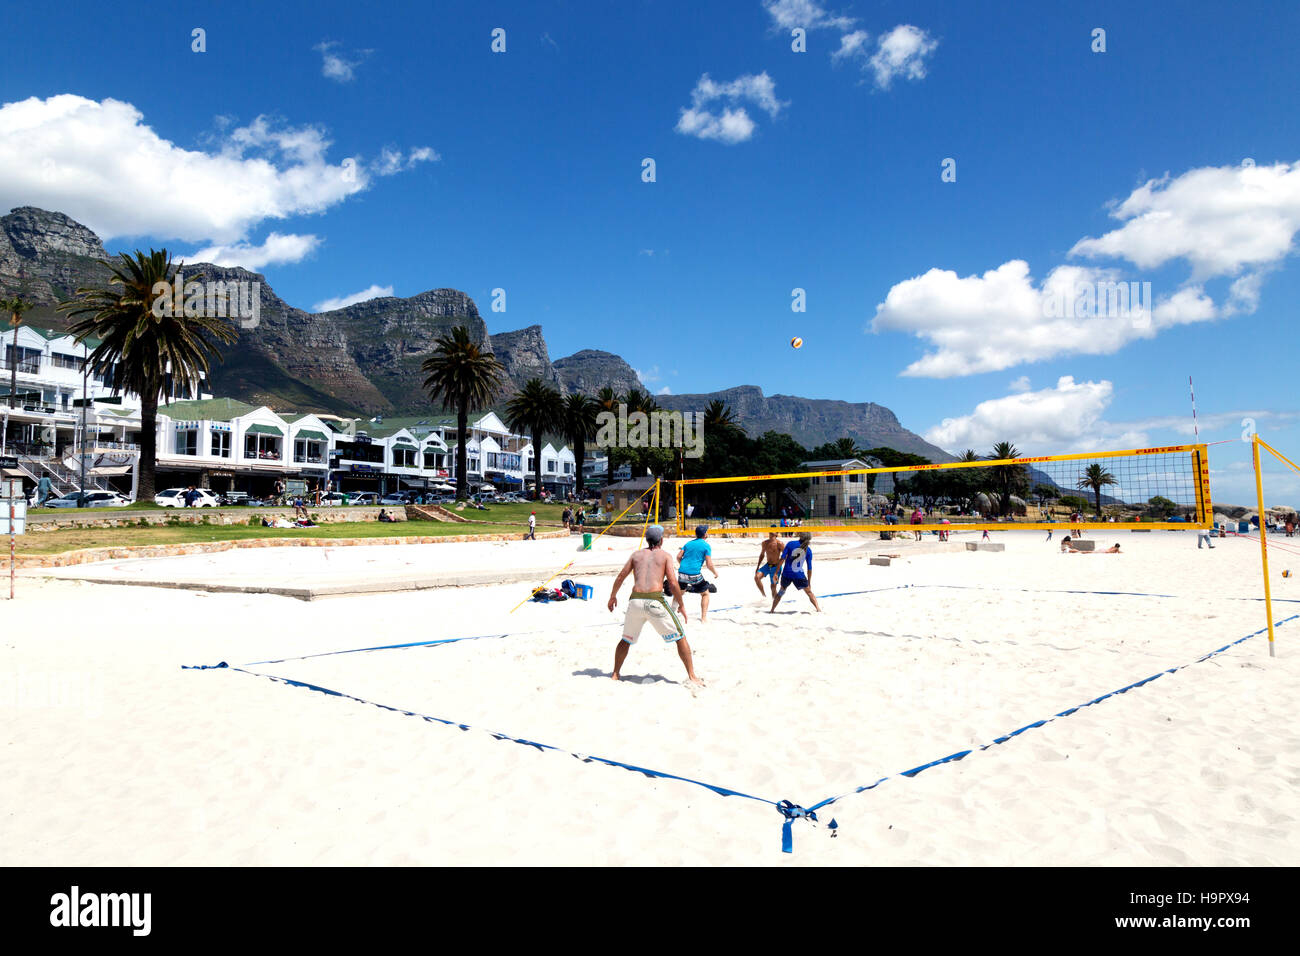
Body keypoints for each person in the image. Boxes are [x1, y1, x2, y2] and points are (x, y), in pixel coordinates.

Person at [607, 525, 702, 686]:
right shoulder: (665, 556)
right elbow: (672, 583)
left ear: (646, 539)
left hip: (635, 601)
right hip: (655, 601)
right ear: (662, 540)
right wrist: (681, 604)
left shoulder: (636, 555)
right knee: (680, 637)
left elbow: (621, 576)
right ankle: (692, 675)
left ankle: (615, 674)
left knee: (626, 639)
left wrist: (612, 596)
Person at [675, 525, 719, 622]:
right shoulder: (706, 546)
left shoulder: (688, 543)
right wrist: (715, 573)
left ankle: (672, 612)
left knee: (679, 593)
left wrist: (684, 566)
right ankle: (703, 618)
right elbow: (709, 564)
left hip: (682, 572)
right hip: (694, 574)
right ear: (705, 534)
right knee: (705, 594)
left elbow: (678, 557)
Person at [771, 532, 822, 613]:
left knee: (781, 591)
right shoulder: (808, 550)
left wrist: (776, 573)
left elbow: (782, 559)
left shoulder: (790, 544)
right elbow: (809, 568)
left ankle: (772, 610)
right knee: (809, 592)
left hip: (787, 574)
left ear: (800, 536)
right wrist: (809, 581)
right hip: (799, 575)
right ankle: (818, 608)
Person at [754, 530, 783, 596]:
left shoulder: (780, 543)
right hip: (767, 565)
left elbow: (785, 556)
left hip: (776, 567)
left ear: (776, 533)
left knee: (773, 587)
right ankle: (764, 596)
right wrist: (758, 566)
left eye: (774, 529)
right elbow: (762, 554)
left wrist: (781, 568)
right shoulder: (765, 543)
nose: (772, 530)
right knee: (757, 577)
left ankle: (774, 602)